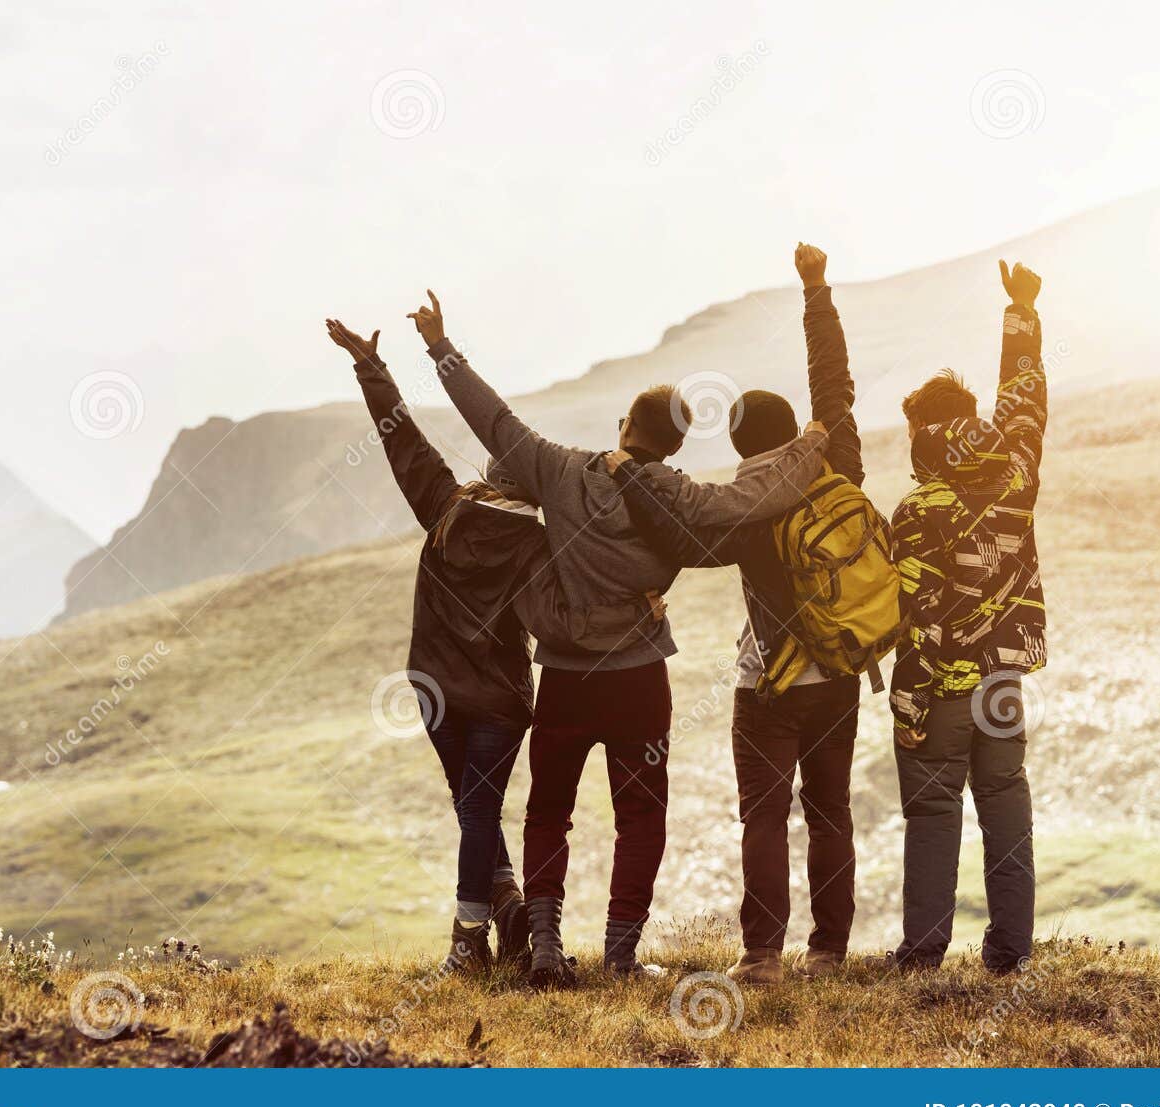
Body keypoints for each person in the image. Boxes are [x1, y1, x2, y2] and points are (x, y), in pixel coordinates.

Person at [406, 291, 828, 986]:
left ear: (626, 423)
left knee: (548, 813)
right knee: (641, 816)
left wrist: (440, 347)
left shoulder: (560, 468)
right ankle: (623, 955)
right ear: (675, 444)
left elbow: (493, 420)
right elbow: (756, 500)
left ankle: (544, 945)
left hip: (568, 680)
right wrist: (815, 444)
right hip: (638, 681)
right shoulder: (682, 497)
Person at [326, 318, 665, 974]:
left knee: (472, 808)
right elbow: (563, 624)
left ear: (489, 475)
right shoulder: (538, 545)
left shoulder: (444, 506)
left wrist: (371, 366)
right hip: (500, 703)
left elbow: (401, 438)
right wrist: (638, 610)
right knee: (478, 810)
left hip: (433, 690)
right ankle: (471, 939)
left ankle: (493, 920)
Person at [605, 243, 865, 985]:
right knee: (830, 812)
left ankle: (762, 956)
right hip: (839, 671)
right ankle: (829, 952)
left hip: (768, 684)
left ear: (741, 445)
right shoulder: (835, 461)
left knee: (763, 817)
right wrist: (816, 292)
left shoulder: (740, 506)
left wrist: (633, 480)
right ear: (796, 429)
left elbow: (677, 539)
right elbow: (834, 383)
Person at [888, 260, 1048, 974]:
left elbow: (920, 619)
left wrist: (910, 703)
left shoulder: (919, 511)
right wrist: (1022, 312)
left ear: (925, 429)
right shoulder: (1018, 470)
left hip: (943, 688)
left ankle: (923, 953)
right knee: (1006, 810)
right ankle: (1009, 955)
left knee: (933, 815)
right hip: (1005, 684)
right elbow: (1026, 398)